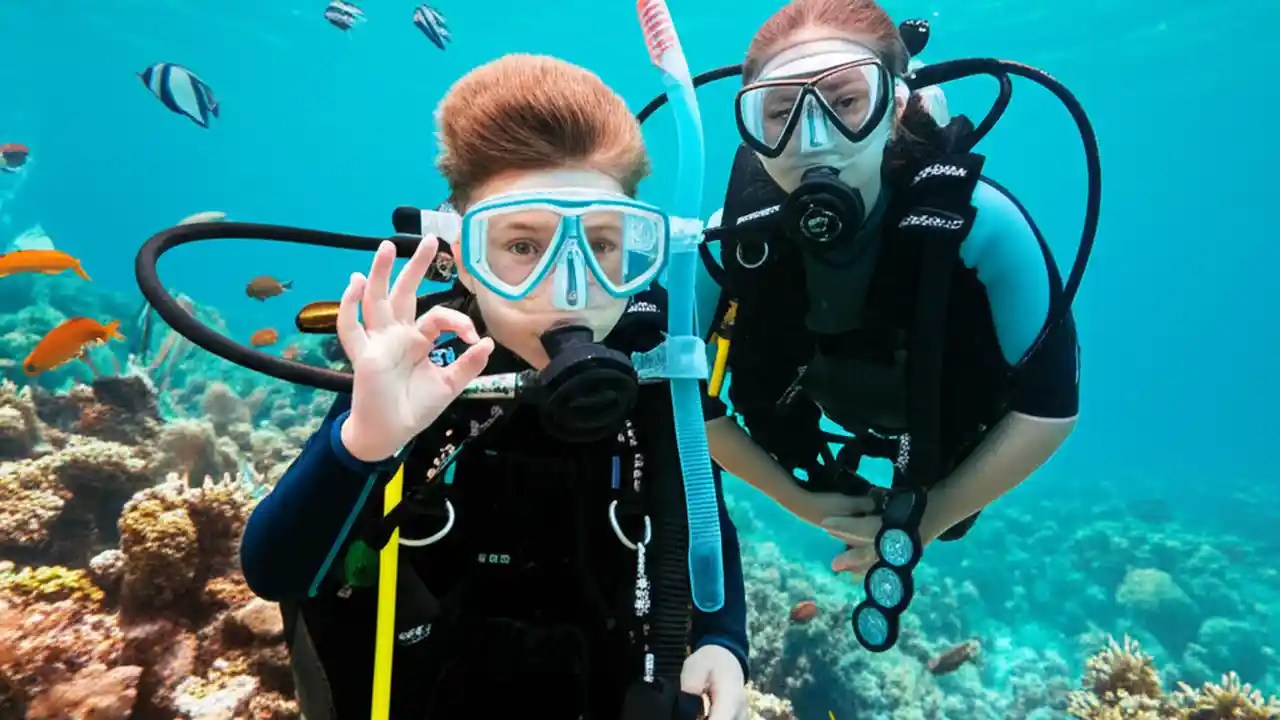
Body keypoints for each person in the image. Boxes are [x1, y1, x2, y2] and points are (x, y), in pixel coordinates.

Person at [238, 54, 749, 719]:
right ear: (458, 255)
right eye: (521, 247)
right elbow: (276, 572)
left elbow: (702, 522)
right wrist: (365, 441)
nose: (572, 290)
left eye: (601, 243)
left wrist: (721, 639)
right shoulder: (419, 366)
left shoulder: (651, 369)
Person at [694, 0, 1083, 648]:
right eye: (780, 114)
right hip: (811, 400)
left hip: (938, 410)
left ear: (895, 107)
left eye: (845, 103)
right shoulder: (731, 238)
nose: (812, 139)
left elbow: (1049, 406)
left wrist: (929, 519)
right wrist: (797, 498)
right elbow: (680, 395)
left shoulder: (980, 223)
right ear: (752, 130)